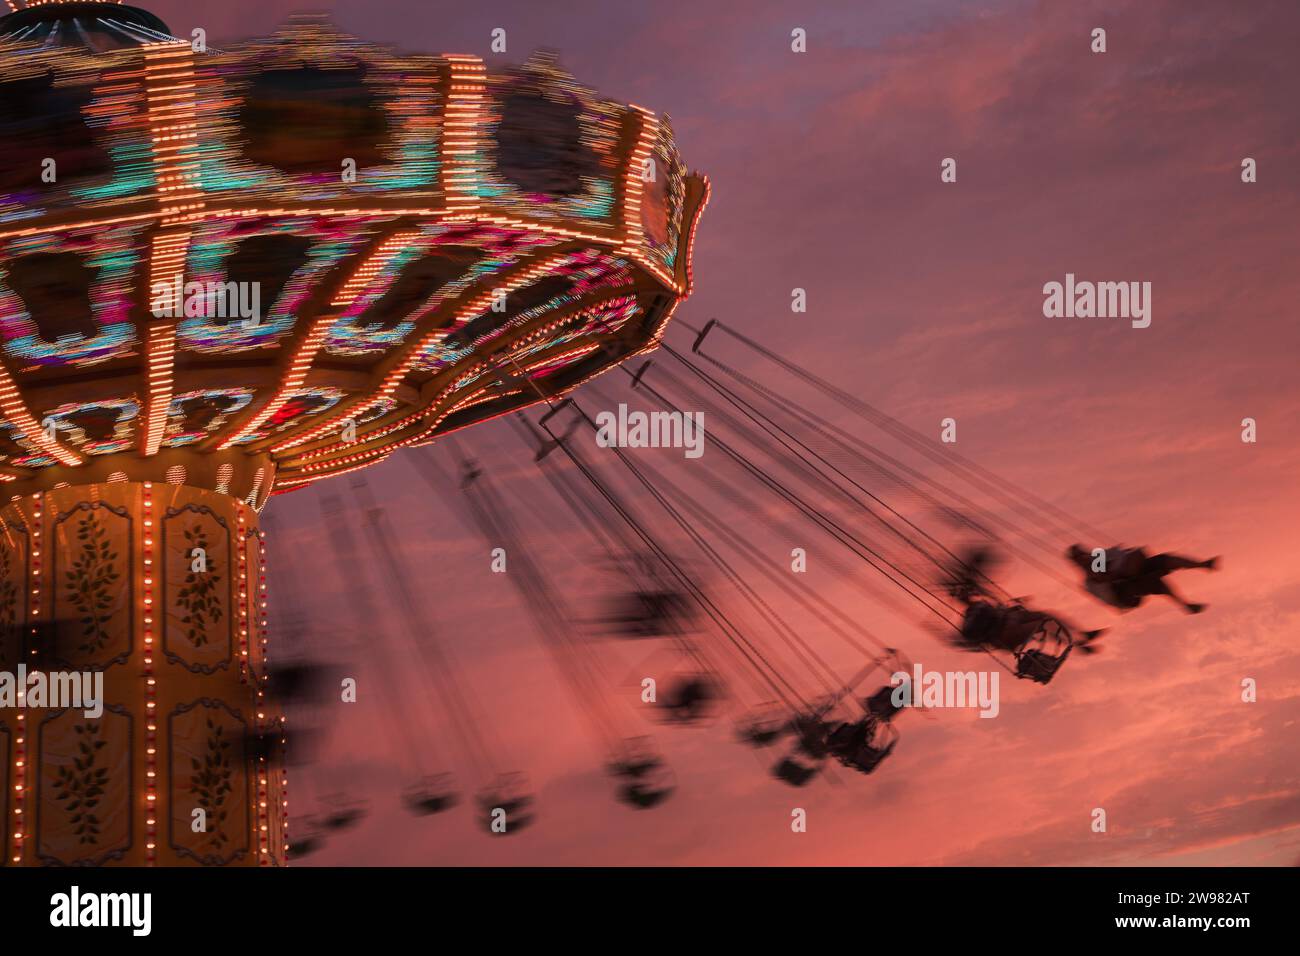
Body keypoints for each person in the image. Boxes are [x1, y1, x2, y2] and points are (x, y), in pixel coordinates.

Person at [1067, 544, 1218, 614]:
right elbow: (1105, 588)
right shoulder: (1090, 580)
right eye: (1079, 557)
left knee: (1166, 560)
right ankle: (1185, 604)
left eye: (1083, 553)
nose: (1084, 557)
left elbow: (1121, 554)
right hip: (1123, 593)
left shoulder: (1101, 557)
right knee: (1155, 582)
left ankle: (1203, 564)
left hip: (1131, 574)